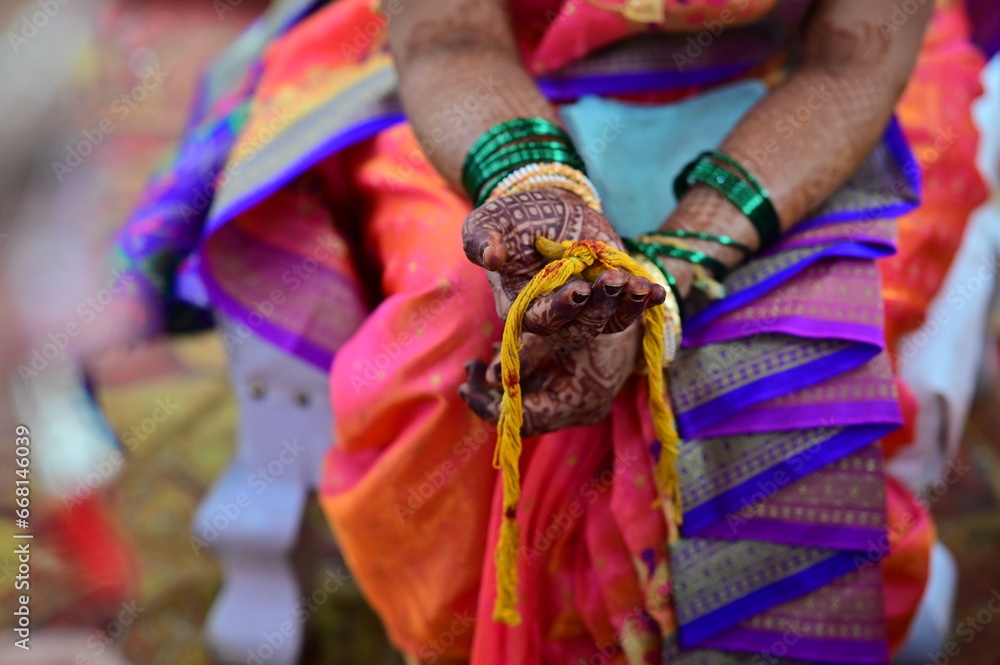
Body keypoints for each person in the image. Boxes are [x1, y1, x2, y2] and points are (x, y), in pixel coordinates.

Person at [114, 0, 988, 662]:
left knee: (783, 389)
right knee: (451, 358)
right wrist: (544, 212)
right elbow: (451, 38)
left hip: (810, 92)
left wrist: (671, 269)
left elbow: (852, 65)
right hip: (488, 85)